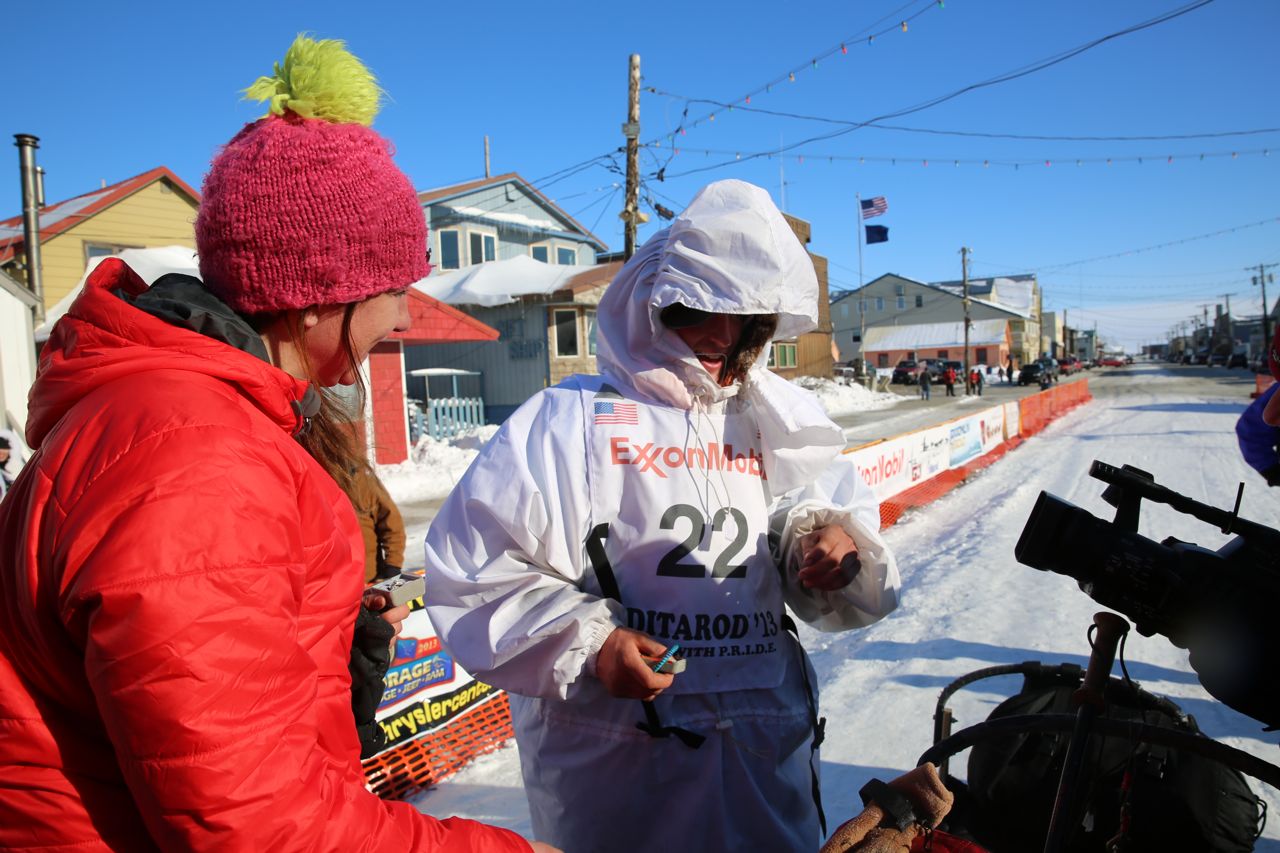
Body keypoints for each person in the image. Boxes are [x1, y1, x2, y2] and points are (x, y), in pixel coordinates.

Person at [0, 35, 546, 852]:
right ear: (318, 298)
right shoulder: (196, 460)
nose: (401, 316)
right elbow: (257, 826)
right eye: (392, 288)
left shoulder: (184, 417)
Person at [424, 180, 901, 853]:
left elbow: (812, 519)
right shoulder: (565, 425)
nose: (721, 333)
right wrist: (590, 644)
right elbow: (475, 572)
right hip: (620, 779)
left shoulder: (773, 419)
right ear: (652, 299)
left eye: (746, 316)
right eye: (696, 308)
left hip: (764, 766)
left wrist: (822, 541)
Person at [349, 463, 408, 582]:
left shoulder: (362, 481)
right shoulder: (314, 478)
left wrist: (393, 566)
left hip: (368, 580)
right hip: (329, 587)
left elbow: (393, 526)